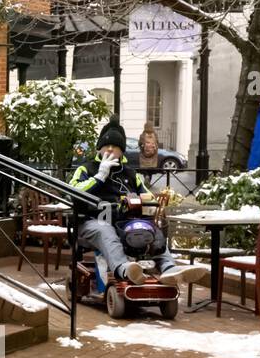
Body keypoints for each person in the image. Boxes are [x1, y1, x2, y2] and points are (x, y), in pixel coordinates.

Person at [69, 120, 206, 287]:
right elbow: (74, 193)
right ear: (100, 147)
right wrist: (100, 175)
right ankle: (124, 269)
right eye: (106, 145)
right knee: (105, 231)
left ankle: (169, 269)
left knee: (152, 229)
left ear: (122, 150)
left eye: (115, 146)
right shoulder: (86, 169)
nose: (110, 149)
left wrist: (143, 203)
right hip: (93, 221)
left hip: (126, 221)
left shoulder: (130, 174)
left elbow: (148, 197)